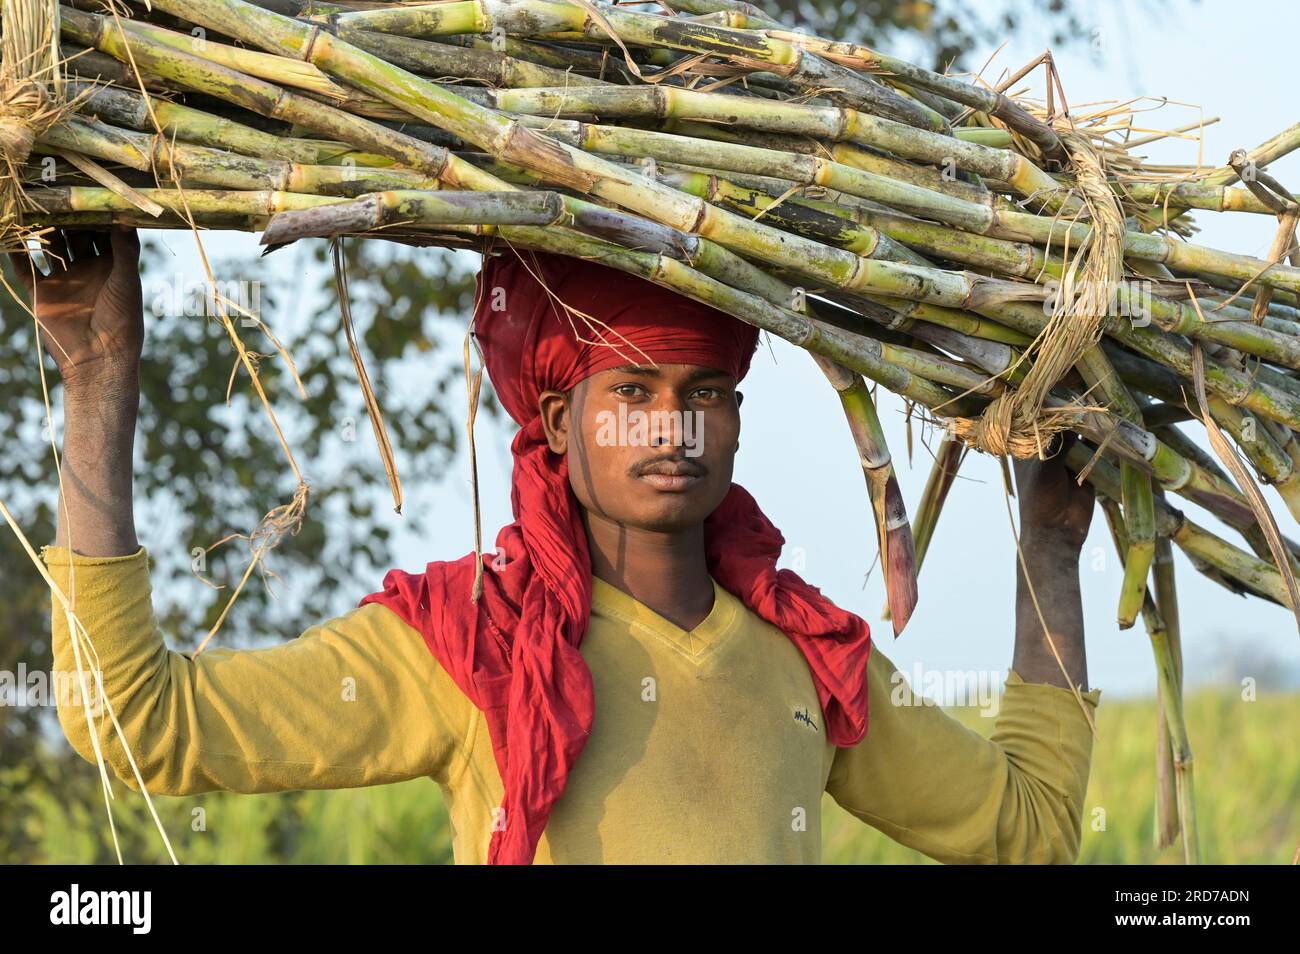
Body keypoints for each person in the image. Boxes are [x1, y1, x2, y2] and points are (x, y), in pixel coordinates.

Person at [25, 226, 1101, 865]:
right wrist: (97, 380)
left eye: (704, 393)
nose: (671, 428)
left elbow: (1032, 828)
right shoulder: (466, 644)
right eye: (630, 391)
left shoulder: (806, 657)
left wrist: (1049, 552)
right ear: (553, 422)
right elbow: (133, 725)